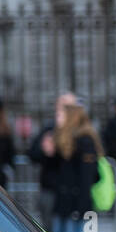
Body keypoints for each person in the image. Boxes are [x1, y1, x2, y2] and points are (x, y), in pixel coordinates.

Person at [50, 100, 102, 232]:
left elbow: (88, 177)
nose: (57, 118)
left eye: (61, 115)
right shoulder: (66, 140)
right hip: (64, 201)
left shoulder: (84, 141)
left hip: (76, 202)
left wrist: (80, 208)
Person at [29, 90, 78, 223]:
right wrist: (43, 150)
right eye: (61, 104)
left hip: (72, 190)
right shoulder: (49, 128)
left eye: (68, 105)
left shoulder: (80, 130)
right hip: (50, 189)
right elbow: (33, 154)